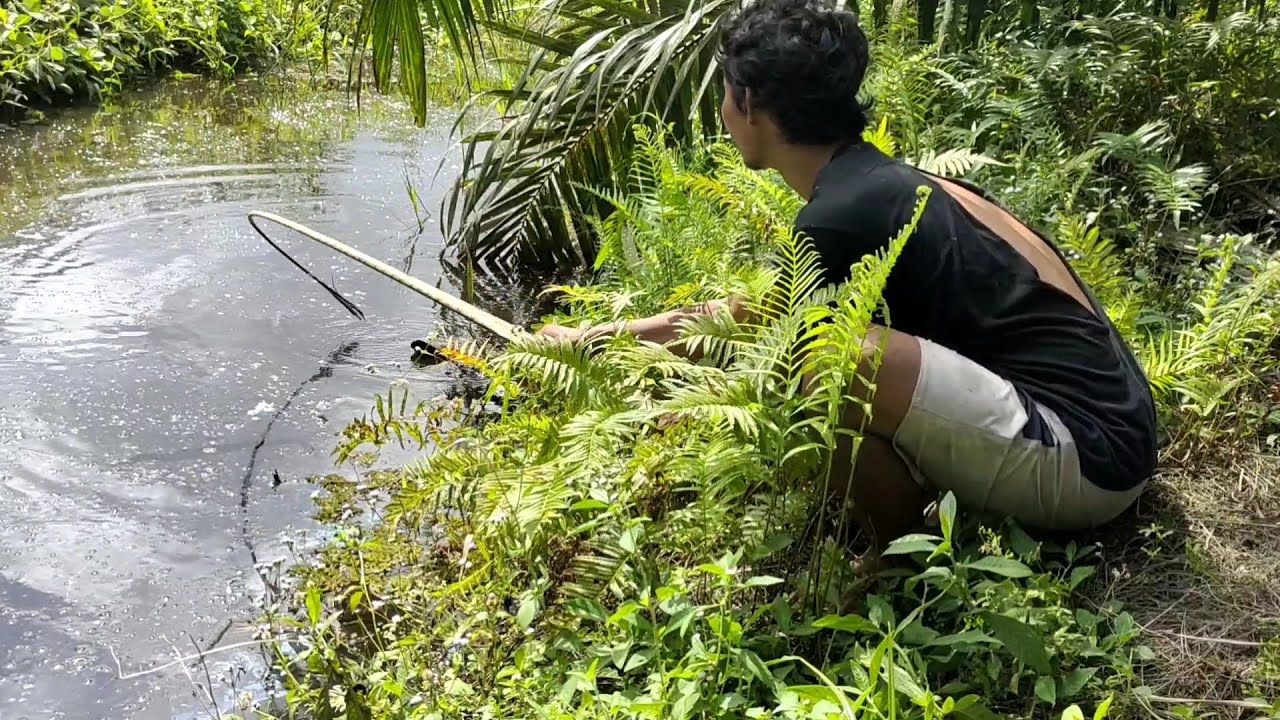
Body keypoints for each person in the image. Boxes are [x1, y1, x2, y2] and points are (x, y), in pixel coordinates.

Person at [538, 0, 1157, 565]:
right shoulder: (882, 183)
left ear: (749, 104)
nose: (724, 114)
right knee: (833, 348)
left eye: (726, 97)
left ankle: (901, 555)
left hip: (1089, 464)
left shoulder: (842, 211)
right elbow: (751, 316)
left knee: (825, 363)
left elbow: (750, 330)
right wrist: (617, 345)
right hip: (1119, 439)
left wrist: (599, 344)